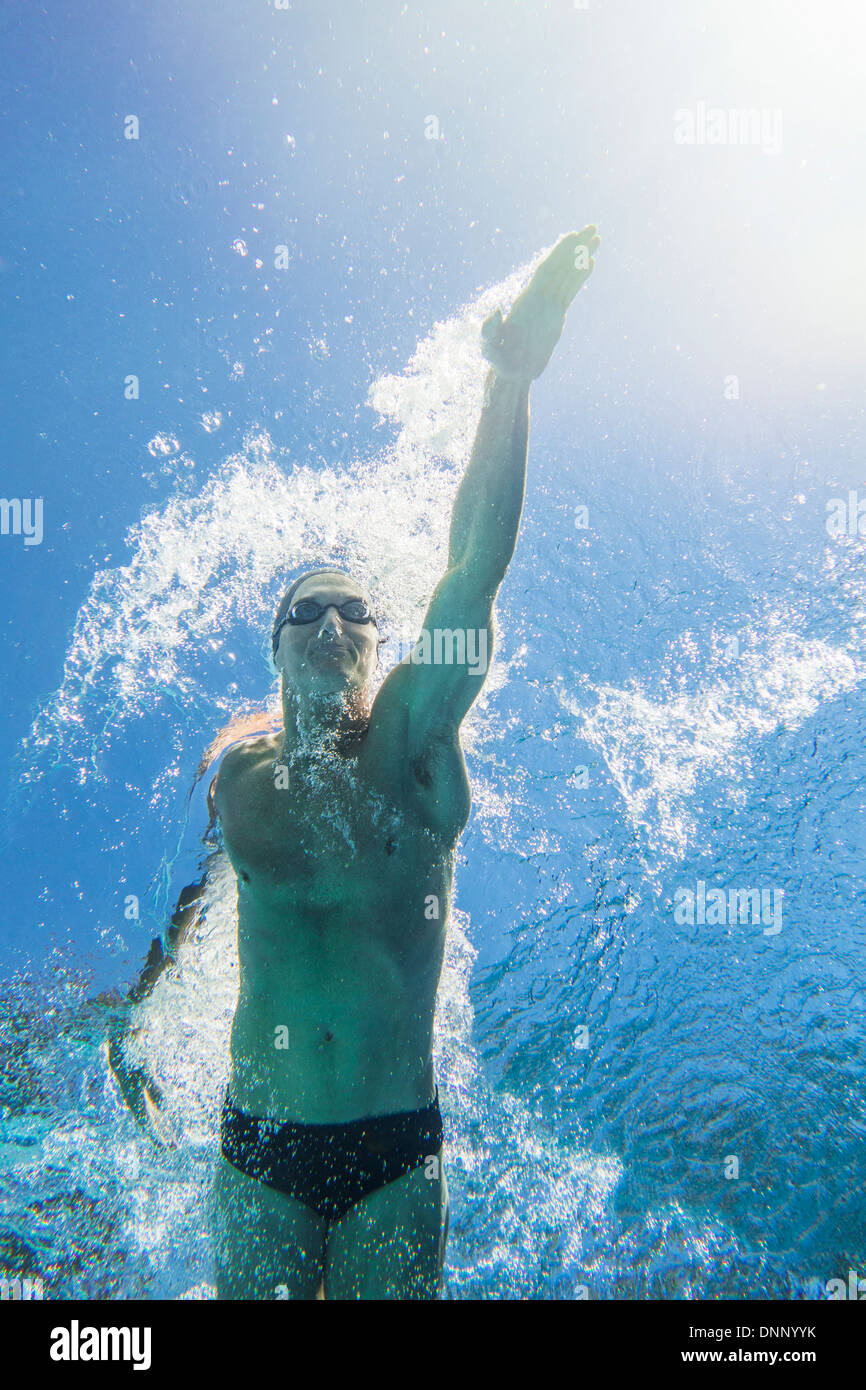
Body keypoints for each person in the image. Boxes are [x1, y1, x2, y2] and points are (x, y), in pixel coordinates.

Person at [110, 229, 599, 1298]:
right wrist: (135, 1019)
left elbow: (473, 572)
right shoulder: (239, 779)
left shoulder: (415, 746)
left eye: (353, 611)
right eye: (306, 611)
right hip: (260, 1148)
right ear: (277, 643)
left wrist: (509, 383)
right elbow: (191, 906)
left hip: (390, 1147)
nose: (331, 623)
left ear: (378, 642)